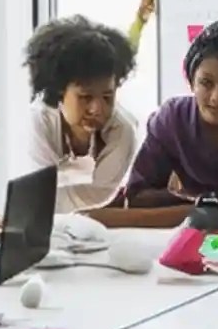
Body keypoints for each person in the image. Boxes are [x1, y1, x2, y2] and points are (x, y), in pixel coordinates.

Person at [91, 21, 218, 228]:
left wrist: (196, 206)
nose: (217, 98)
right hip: (172, 237)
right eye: (206, 83)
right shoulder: (171, 118)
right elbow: (137, 196)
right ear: (191, 80)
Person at [23, 15, 139, 213]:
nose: (97, 109)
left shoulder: (122, 130)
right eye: (85, 97)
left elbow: (100, 194)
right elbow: (38, 194)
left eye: (107, 96)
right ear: (59, 91)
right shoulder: (38, 122)